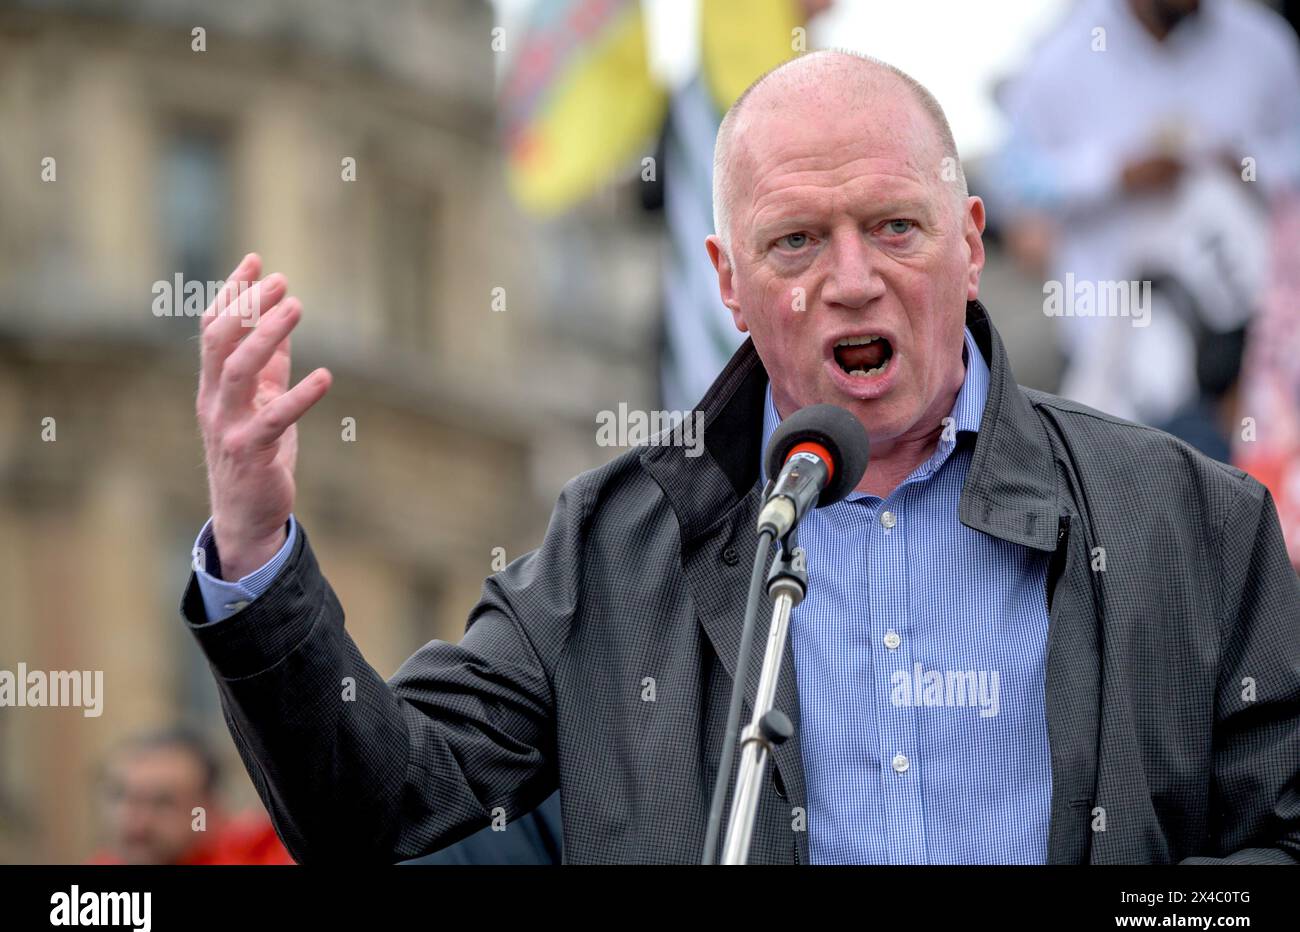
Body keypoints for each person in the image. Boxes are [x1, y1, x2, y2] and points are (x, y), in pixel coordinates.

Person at [182, 51, 1300, 864]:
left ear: (969, 241)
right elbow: (381, 803)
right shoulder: (614, 548)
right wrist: (253, 545)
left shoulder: (1183, 521)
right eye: (797, 240)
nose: (852, 277)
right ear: (727, 281)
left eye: (895, 228)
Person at [995, 0, 1300, 424]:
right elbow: (1013, 177)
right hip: (1107, 349)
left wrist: (1247, 165)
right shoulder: (1062, 54)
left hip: (1249, 354)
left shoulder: (1263, 44)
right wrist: (1113, 173)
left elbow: (1292, 151)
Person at [88, 726, 292, 865]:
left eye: (163, 803)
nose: (136, 823)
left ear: (211, 807)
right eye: (121, 797)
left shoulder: (268, 850)